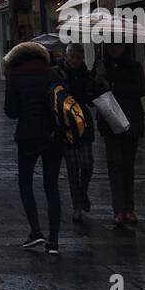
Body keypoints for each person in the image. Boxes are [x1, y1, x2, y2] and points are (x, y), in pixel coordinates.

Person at [4, 41, 63, 255]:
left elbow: (10, 111)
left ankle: (36, 231)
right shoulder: (52, 74)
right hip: (53, 135)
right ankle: (54, 240)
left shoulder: (15, 77)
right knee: (51, 185)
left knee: (26, 182)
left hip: (27, 136)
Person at [93, 39, 145, 228]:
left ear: (124, 46)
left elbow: (140, 90)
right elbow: (92, 94)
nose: (113, 48)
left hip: (131, 121)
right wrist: (99, 79)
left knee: (128, 166)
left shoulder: (135, 66)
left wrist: (115, 87)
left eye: (117, 44)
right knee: (115, 165)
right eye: (109, 45)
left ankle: (129, 208)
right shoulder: (101, 66)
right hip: (109, 122)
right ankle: (118, 210)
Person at [60, 43, 96, 224]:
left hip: (84, 124)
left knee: (87, 164)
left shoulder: (87, 75)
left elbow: (92, 99)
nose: (74, 60)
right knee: (73, 168)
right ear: (65, 56)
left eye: (78, 57)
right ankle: (77, 206)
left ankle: (83, 193)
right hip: (67, 125)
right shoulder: (59, 75)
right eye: (71, 56)